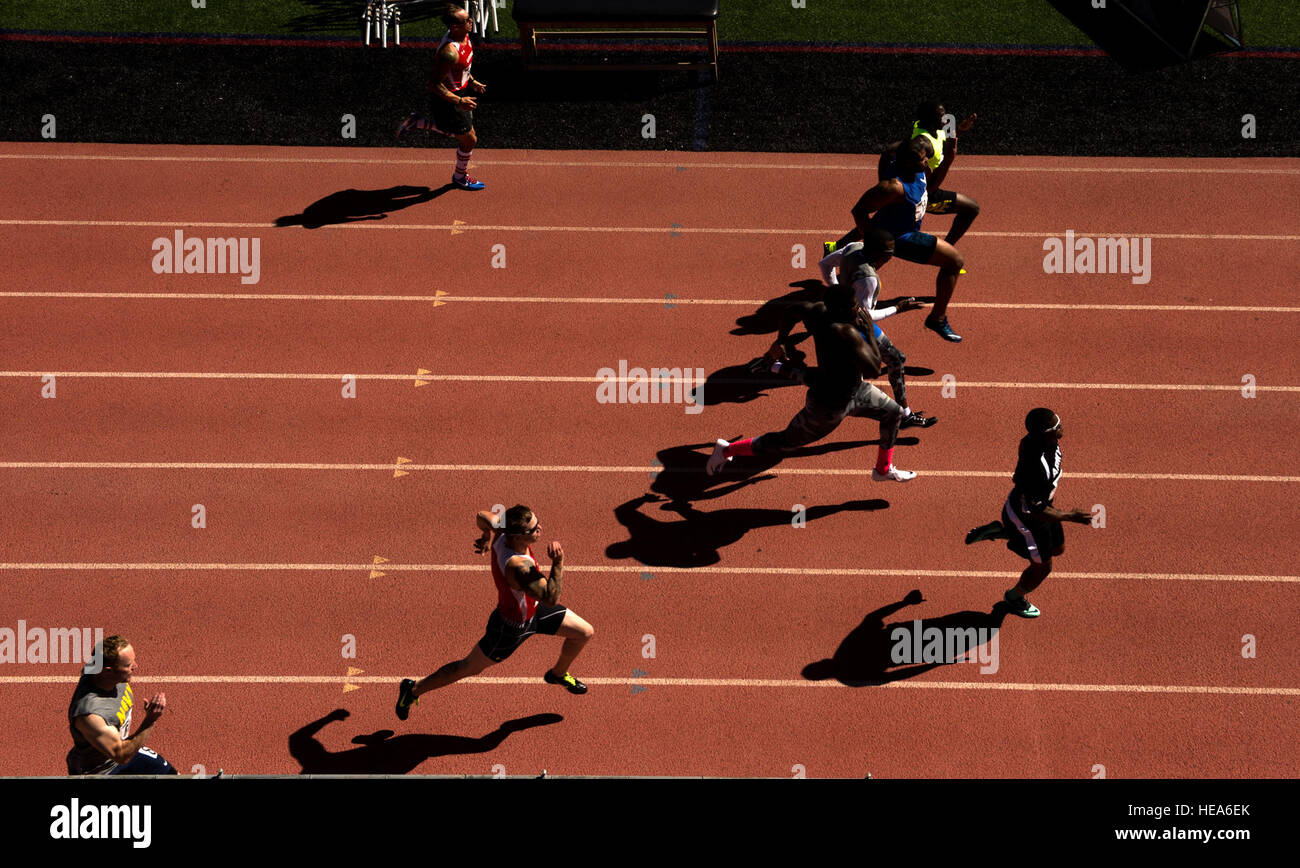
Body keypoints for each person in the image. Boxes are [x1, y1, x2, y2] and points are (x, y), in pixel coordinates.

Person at [395, 505, 595, 719]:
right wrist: (558, 561)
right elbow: (551, 597)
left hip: (535, 611)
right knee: (467, 667)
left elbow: (481, 515)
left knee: (584, 632)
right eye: (534, 528)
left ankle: (558, 674)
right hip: (510, 628)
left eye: (538, 523)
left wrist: (486, 536)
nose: (540, 529)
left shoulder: (502, 530)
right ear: (518, 536)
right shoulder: (518, 567)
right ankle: (413, 689)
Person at [707, 284, 914, 482]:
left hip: (854, 389)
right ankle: (726, 450)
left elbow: (790, 311)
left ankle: (882, 469)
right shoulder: (846, 333)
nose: (859, 309)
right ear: (841, 309)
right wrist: (869, 331)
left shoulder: (816, 311)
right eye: (854, 305)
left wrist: (781, 340)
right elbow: (874, 369)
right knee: (785, 442)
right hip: (828, 406)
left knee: (893, 413)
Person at [827, 136, 965, 343]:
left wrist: (948, 160)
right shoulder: (892, 187)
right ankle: (937, 318)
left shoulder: (917, 170)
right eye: (921, 159)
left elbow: (930, 186)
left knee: (851, 288)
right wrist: (875, 241)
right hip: (900, 238)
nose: (926, 162)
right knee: (954, 261)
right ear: (908, 162)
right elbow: (859, 210)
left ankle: (837, 314)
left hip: (901, 230)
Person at [965, 408, 1094, 618]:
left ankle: (1001, 532)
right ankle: (1014, 597)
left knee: (1058, 549)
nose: (1062, 427)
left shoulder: (1040, 440)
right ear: (1045, 433)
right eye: (1056, 426)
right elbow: (1037, 510)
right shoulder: (1038, 466)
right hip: (1028, 516)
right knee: (1042, 567)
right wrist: (1070, 516)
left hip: (1044, 506)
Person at [819, 226, 936, 429]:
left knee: (889, 361)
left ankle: (899, 411)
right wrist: (898, 308)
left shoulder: (853, 248)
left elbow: (825, 263)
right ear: (877, 253)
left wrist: (836, 287)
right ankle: (901, 415)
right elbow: (865, 315)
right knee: (891, 362)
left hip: (844, 314)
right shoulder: (869, 279)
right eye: (889, 253)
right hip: (856, 326)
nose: (892, 256)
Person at [395, 3, 488, 191]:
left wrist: (472, 81)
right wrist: (459, 101)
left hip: (460, 93)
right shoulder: (449, 53)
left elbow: (462, 68)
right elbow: (434, 84)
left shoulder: (465, 36)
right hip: (449, 99)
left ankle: (419, 122)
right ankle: (460, 177)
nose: (471, 21)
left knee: (465, 134)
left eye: (469, 18)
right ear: (454, 27)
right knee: (469, 139)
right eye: (467, 20)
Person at [66, 635, 176, 775]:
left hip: (124, 747)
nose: (136, 666)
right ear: (108, 670)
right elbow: (121, 755)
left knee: (173, 776)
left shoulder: (101, 671)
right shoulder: (91, 715)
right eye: (128, 665)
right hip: (100, 770)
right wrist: (150, 720)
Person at [881, 100, 980, 246]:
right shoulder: (923, 144)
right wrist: (949, 159)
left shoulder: (935, 130)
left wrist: (960, 129)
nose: (945, 118)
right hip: (919, 195)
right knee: (881, 228)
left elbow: (942, 139)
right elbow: (931, 188)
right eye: (941, 116)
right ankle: (947, 252)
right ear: (930, 121)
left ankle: (837, 246)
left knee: (879, 222)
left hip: (922, 190)